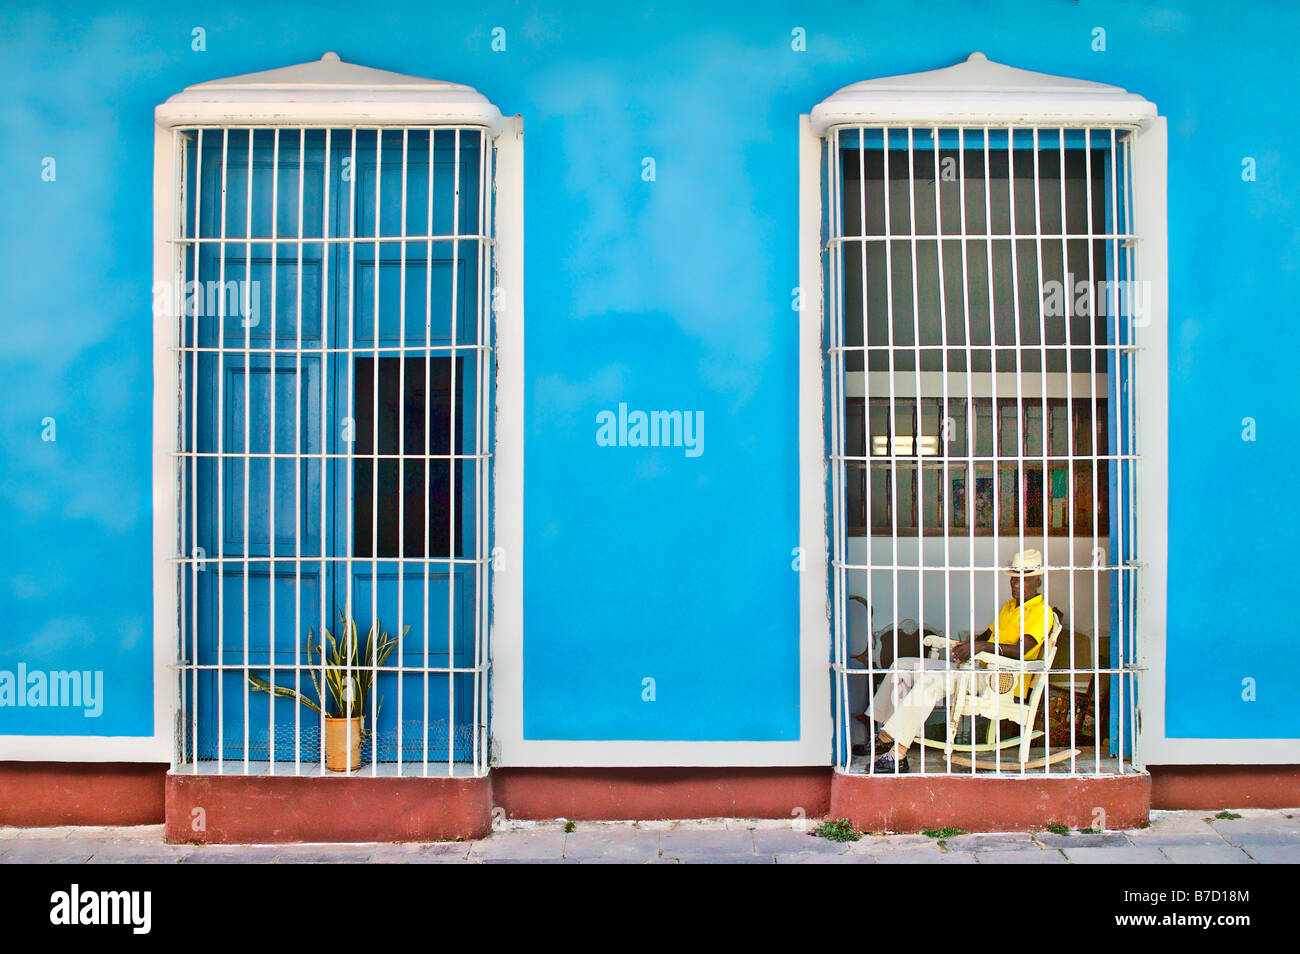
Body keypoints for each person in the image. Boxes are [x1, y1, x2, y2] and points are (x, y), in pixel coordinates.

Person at [865, 549, 1053, 773]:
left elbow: (1024, 650)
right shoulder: (1009, 608)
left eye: (1024, 577)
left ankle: (898, 754)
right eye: (1014, 577)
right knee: (903, 666)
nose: (1016, 582)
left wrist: (981, 647)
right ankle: (885, 736)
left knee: (931, 681)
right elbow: (984, 637)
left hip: (999, 682)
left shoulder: (1042, 612)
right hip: (977, 670)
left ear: (1038, 580)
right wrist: (965, 647)